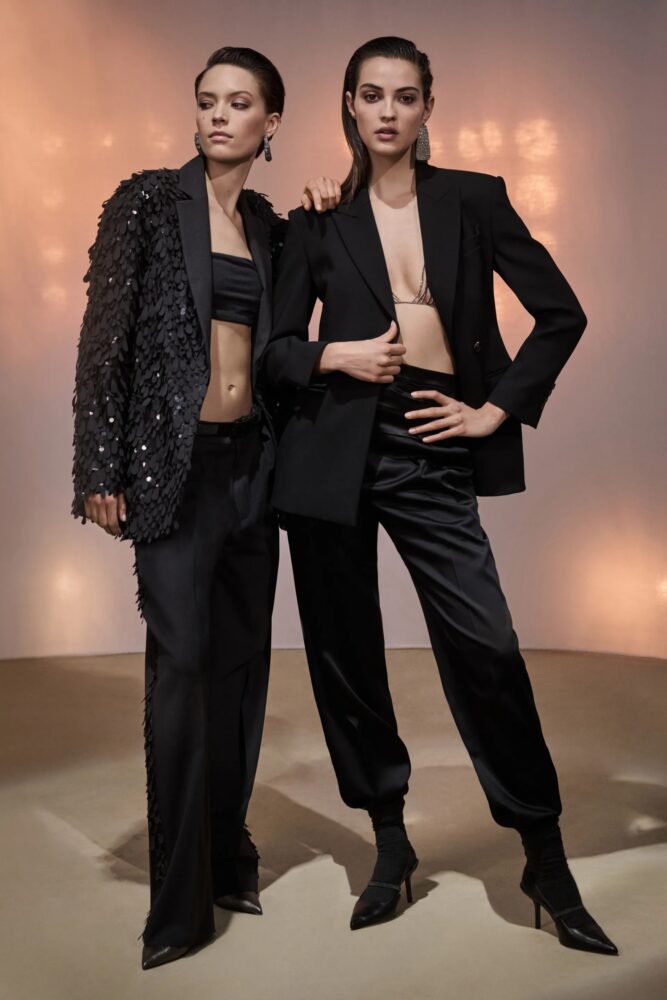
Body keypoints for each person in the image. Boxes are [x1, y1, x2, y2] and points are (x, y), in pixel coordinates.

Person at [261, 36, 618, 955]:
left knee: (485, 643)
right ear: (348, 105)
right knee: (344, 653)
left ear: (428, 107)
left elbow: (561, 313)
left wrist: (493, 410)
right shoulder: (316, 218)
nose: (387, 111)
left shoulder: (473, 198)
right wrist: (331, 356)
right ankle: (389, 839)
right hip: (330, 454)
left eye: (405, 95)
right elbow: (274, 352)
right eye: (370, 94)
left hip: (430, 444)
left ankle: (542, 853)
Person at [71, 45, 339, 970]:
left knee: (240, 670)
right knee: (181, 672)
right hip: (173, 472)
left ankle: (229, 855)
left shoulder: (269, 225)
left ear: (271, 122)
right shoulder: (147, 203)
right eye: (207, 101)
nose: (219, 116)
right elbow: (103, 342)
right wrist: (98, 466)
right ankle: (177, 900)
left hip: (251, 469)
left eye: (239, 103)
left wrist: (330, 203)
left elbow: (291, 334)